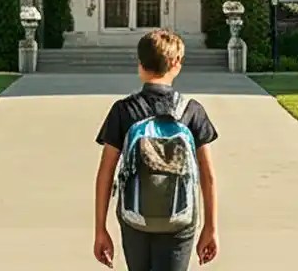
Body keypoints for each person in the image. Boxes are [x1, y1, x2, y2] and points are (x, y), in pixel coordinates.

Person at [93, 29, 219, 270]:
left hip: (134, 217)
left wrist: (100, 230)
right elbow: (208, 177)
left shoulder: (123, 110)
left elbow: (105, 174)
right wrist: (210, 228)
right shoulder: (192, 111)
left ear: (140, 65)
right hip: (180, 218)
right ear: (176, 64)